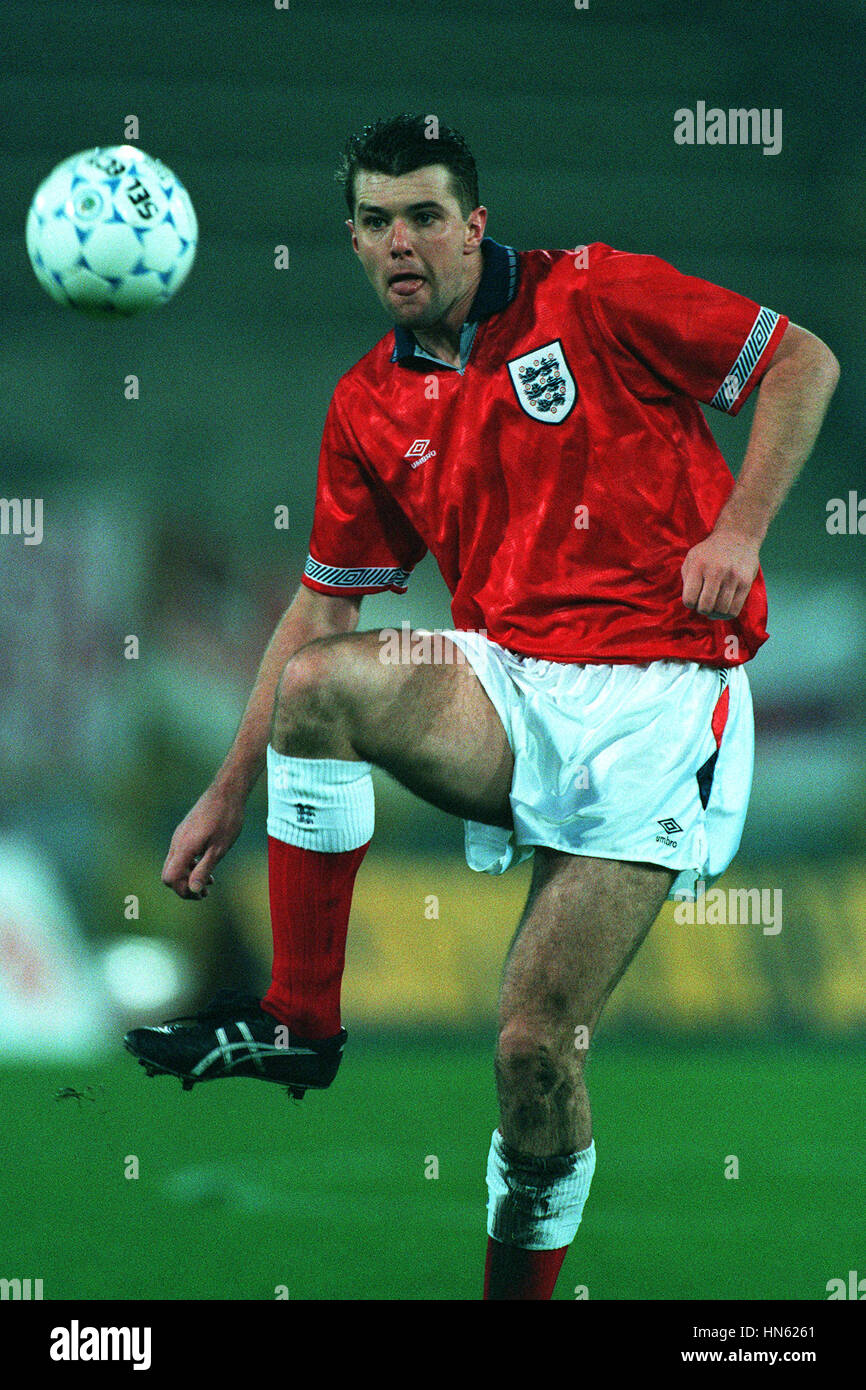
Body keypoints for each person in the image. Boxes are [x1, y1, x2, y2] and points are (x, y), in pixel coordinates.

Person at [125, 114, 839, 1300]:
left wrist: (737, 529)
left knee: (530, 1055)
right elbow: (319, 611)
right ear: (349, 239)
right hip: (506, 680)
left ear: (473, 224)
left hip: (660, 700)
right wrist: (226, 788)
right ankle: (301, 1019)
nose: (398, 241)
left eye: (422, 215)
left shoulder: (595, 297)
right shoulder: (367, 405)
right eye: (372, 220)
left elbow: (800, 359)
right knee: (319, 682)